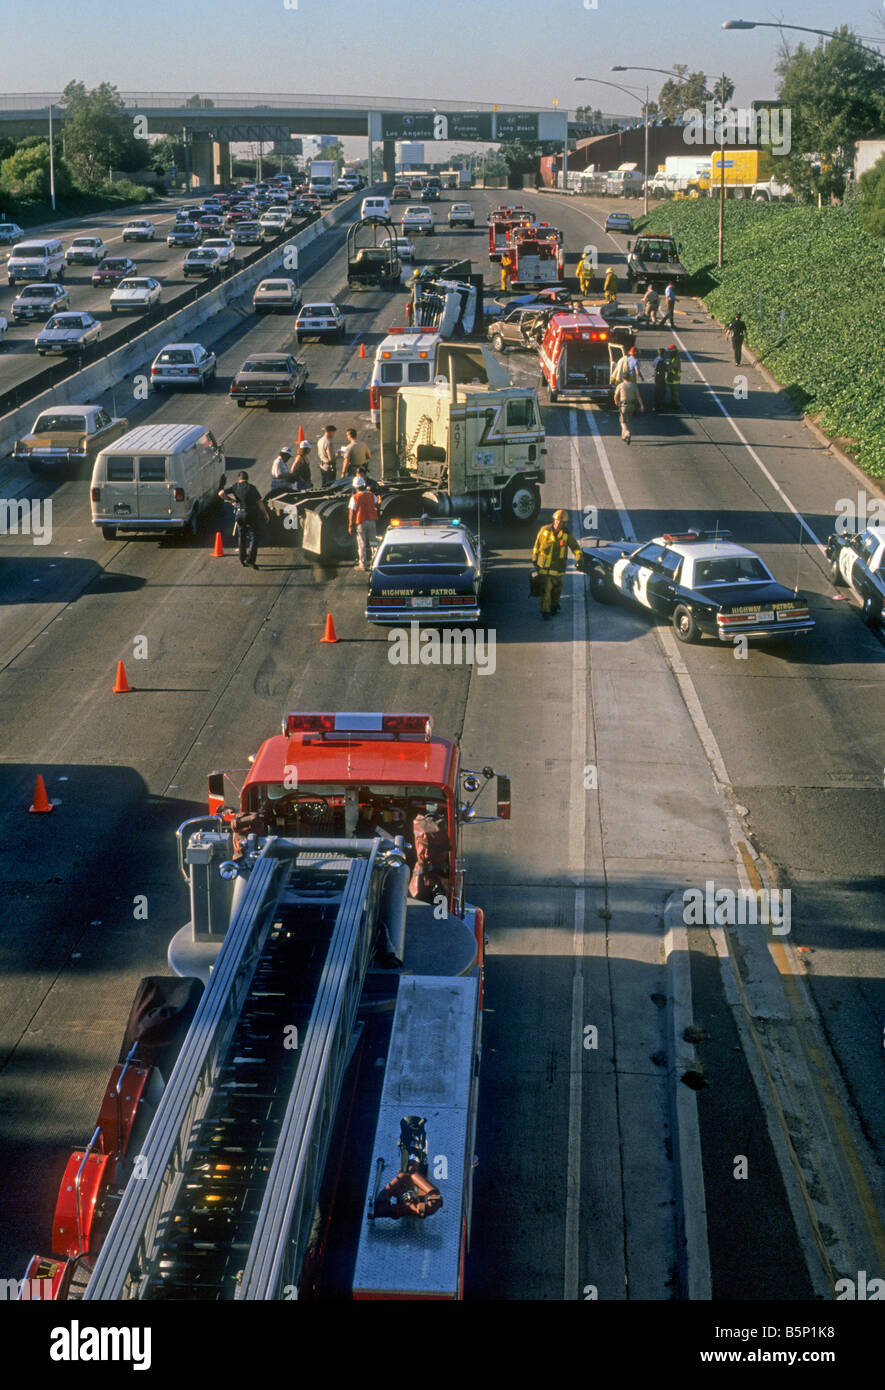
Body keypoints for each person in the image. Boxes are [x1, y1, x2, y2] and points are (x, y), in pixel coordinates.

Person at [531, 509, 582, 620]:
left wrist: (579, 558)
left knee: (557, 589)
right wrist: (534, 559)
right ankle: (545, 611)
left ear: (564, 523)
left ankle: (554, 606)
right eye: (557, 521)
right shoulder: (544, 530)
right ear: (554, 520)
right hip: (544, 567)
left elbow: (576, 548)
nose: (559, 523)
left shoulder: (567, 535)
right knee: (546, 590)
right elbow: (537, 545)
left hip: (558, 568)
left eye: (561, 522)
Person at [219, 470, 270, 568]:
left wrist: (231, 500)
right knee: (254, 536)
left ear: (239, 479)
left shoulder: (235, 486)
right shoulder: (252, 488)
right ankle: (250, 559)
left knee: (241, 536)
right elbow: (259, 502)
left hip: (239, 514)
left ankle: (242, 559)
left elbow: (221, 493)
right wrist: (265, 513)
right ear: (247, 479)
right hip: (250, 514)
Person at [348, 476, 380, 570]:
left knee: (362, 545)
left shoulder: (354, 497)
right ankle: (375, 563)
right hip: (372, 521)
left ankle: (363, 565)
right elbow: (377, 503)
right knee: (374, 543)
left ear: (355, 487)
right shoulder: (371, 495)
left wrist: (350, 525)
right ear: (364, 485)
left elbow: (351, 513)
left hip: (361, 522)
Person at [613, 375, 643, 444]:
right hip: (632, 405)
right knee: (628, 420)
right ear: (629, 378)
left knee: (622, 421)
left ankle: (627, 433)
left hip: (624, 405)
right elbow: (638, 396)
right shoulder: (634, 385)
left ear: (622, 378)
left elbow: (615, 395)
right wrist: (641, 405)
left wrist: (616, 402)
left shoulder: (620, 385)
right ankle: (623, 436)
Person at [666, 344, 682, 410]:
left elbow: (672, 367)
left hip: (674, 377)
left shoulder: (676, 359)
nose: (669, 353)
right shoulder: (674, 357)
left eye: (670, 351)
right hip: (672, 377)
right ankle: (673, 402)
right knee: (673, 391)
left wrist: (667, 367)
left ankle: (677, 404)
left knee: (674, 392)